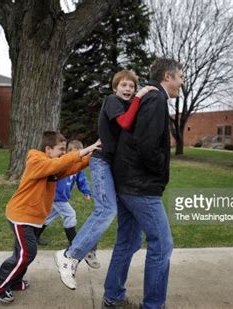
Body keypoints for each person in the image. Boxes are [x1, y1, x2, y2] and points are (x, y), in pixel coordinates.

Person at [55, 70, 157, 290]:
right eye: (124, 85)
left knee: (113, 210)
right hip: (101, 162)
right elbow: (124, 123)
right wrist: (141, 95)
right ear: (115, 88)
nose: (128, 89)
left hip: (115, 166)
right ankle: (69, 256)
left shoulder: (128, 104)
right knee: (106, 210)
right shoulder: (112, 101)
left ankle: (89, 246)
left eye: (132, 86)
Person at [102, 58, 184, 309]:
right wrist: (160, 170)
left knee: (129, 241)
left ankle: (113, 296)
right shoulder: (156, 99)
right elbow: (146, 144)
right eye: (180, 76)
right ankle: (153, 305)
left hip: (127, 182)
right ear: (167, 77)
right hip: (140, 186)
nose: (182, 82)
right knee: (162, 244)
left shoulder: (148, 97)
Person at [0, 131, 100, 303]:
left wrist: (91, 156)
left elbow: (70, 167)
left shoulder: (51, 164)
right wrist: (87, 148)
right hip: (21, 216)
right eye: (61, 149)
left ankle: (15, 281)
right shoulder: (36, 160)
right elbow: (63, 162)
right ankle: (0, 284)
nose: (64, 153)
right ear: (48, 149)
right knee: (27, 254)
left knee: (22, 253)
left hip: (33, 218)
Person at [36, 140, 100, 268]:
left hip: (61, 198)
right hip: (57, 197)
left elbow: (81, 180)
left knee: (47, 218)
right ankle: (74, 243)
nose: (78, 155)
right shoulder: (62, 164)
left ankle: (33, 236)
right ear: (68, 153)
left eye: (80, 153)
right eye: (74, 153)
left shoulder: (78, 167)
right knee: (70, 215)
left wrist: (86, 191)